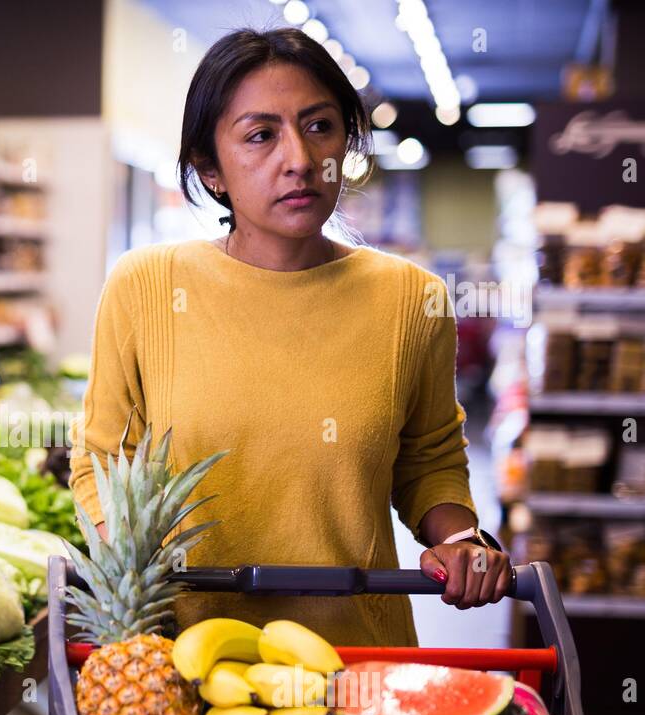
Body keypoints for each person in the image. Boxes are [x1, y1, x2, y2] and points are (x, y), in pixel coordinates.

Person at [69, 27, 511, 647]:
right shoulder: (145, 286)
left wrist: (461, 540)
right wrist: (129, 571)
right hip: (187, 661)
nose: (299, 159)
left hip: (361, 660)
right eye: (260, 135)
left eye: (319, 126)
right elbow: (100, 460)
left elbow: (428, 459)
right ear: (210, 169)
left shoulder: (413, 299)